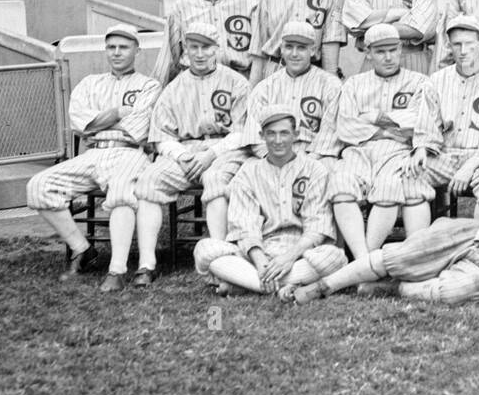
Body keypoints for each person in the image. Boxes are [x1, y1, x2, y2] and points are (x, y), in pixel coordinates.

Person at [290, 150, 479, 305]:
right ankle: (323, 286)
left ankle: (388, 288)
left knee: (451, 292)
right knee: (401, 256)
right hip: (473, 238)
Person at [26, 24, 159, 289]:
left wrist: (99, 122)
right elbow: (79, 123)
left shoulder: (149, 85)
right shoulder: (90, 83)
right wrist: (119, 113)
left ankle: (117, 270)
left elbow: (139, 130)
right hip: (94, 153)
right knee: (38, 186)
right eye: (111, 47)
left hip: (131, 153)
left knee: (121, 190)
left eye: (124, 47)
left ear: (137, 50)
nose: (117, 53)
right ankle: (82, 248)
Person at [127, 23, 251, 289]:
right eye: (193, 47)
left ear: (217, 48)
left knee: (217, 178)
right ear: (185, 51)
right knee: (150, 179)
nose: (200, 53)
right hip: (184, 151)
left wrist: (210, 155)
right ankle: (146, 264)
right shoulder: (174, 87)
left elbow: (244, 132)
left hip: (224, 148)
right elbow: (161, 136)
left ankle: (221, 260)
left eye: (206, 47)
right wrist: (184, 156)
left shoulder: (237, 82)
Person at [201, 20, 343, 241]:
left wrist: (301, 160)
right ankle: (223, 245)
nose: (294, 53)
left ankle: (323, 242)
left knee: (330, 176)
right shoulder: (265, 87)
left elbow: (329, 135)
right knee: (216, 175)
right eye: (289, 47)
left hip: (316, 153)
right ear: (281, 49)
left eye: (302, 47)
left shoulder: (330, 84)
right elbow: (254, 135)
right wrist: (275, 159)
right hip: (268, 152)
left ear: (313, 50)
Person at [192, 107, 347, 297]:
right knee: (205, 250)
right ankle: (280, 285)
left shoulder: (315, 170)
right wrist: (261, 262)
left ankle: (244, 284)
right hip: (260, 250)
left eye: (284, 133)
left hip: (300, 253)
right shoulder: (248, 172)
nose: (278, 140)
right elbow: (245, 225)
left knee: (334, 258)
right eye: (271, 134)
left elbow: (317, 226)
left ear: (296, 135)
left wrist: (289, 258)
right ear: (262, 136)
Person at [328, 24, 433, 264]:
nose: (388, 57)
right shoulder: (354, 84)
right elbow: (346, 127)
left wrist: (374, 117)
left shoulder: (420, 82)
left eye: (393, 50)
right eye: (380, 51)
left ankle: (363, 263)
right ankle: (362, 258)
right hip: (359, 151)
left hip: (398, 152)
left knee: (388, 186)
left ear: (400, 50)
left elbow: (417, 124)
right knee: (341, 183)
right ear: (368, 53)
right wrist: (390, 130)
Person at [403, 15, 479, 221]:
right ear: (449, 46)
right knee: (411, 177)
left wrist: (470, 166)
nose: (463, 51)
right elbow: (428, 125)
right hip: (447, 154)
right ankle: (421, 249)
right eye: (457, 44)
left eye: (469, 44)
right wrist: (420, 148)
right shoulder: (436, 80)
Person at [153, 0, 258, 86]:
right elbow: (168, 60)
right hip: (194, 85)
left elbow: (259, 58)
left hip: (237, 83)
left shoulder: (249, 6)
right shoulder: (181, 7)